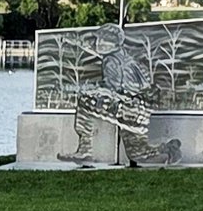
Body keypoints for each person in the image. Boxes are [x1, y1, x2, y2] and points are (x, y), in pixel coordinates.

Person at [56, 24, 180, 168]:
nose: (98, 43)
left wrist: (91, 90)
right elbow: (94, 49)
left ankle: (85, 150)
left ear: (114, 44)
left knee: (84, 101)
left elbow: (112, 89)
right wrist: (74, 41)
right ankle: (167, 150)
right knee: (138, 153)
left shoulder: (111, 61)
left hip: (126, 108)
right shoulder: (125, 56)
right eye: (98, 40)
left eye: (103, 41)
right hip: (140, 112)